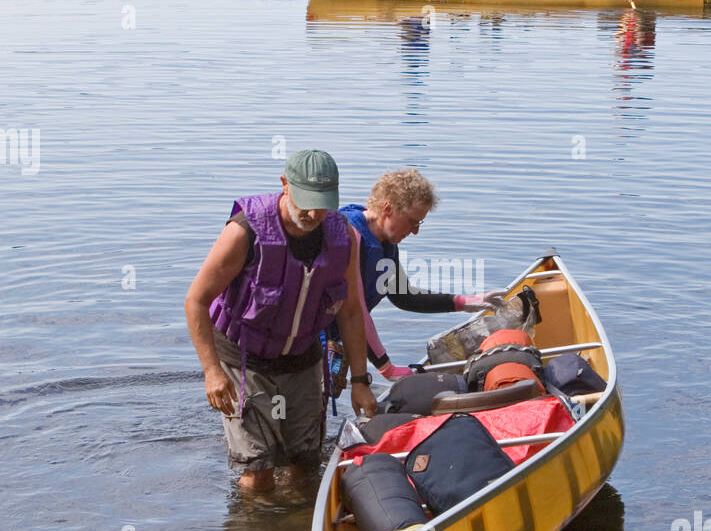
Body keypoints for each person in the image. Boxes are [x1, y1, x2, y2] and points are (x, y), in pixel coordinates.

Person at [185, 149, 377, 494]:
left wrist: (361, 380)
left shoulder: (343, 237)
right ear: (285, 185)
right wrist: (212, 372)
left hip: (303, 361)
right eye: (306, 201)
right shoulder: (244, 233)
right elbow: (196, 300)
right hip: (244, 360)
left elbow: (349, 311)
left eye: (323, 203)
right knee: (257, 471)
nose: (314, 213)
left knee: (303, 467)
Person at [332, 169, 504, 381]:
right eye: (413, 221)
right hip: (309, 341)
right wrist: (386, 368)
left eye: (419, 223)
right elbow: (354, 311)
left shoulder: (385, 243)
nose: (415, 231)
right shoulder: (351, 236)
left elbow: (404, 296)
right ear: (388, 208)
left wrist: (466, 302)